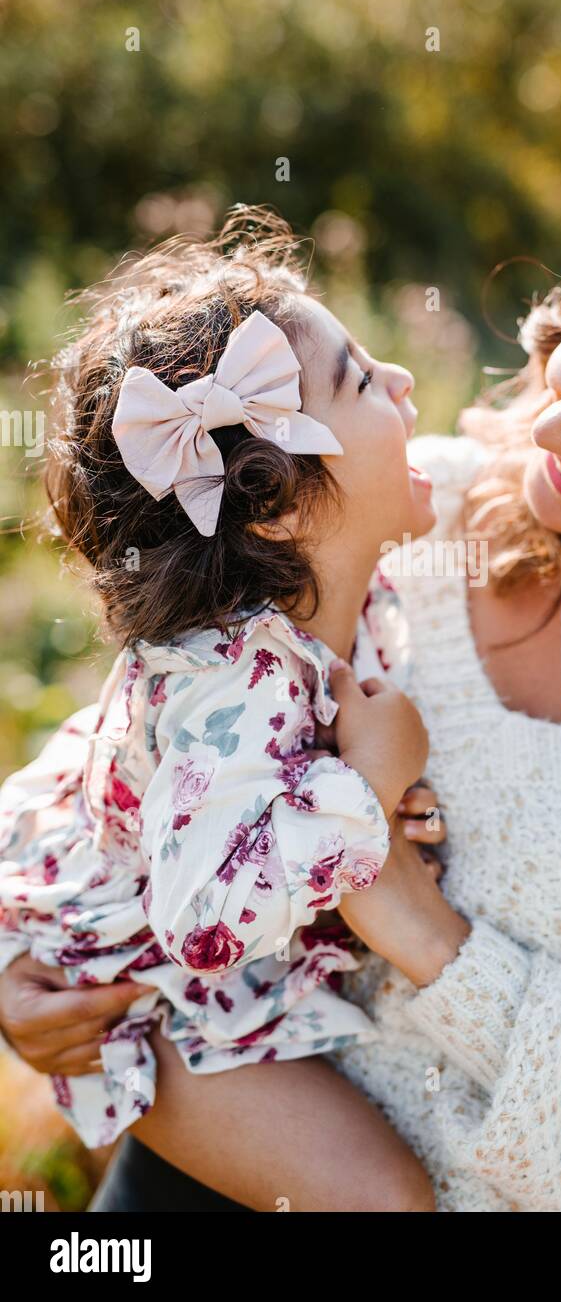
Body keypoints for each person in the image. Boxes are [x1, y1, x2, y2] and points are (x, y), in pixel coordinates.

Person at [4, 178, 561, 1211]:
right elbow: (145, 740)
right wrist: (20, 966)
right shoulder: (394, 508)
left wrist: (416, 923)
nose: (554, 427)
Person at [0, 209, 457, 1211]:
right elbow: (205, 919)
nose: (409, 384)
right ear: (282, 506)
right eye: (368, 380)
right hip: (148, 991)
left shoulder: (341, 604)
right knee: (385, 1200)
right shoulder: (231, 674)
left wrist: (377, 799)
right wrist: (369, 784)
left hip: (202, 979)